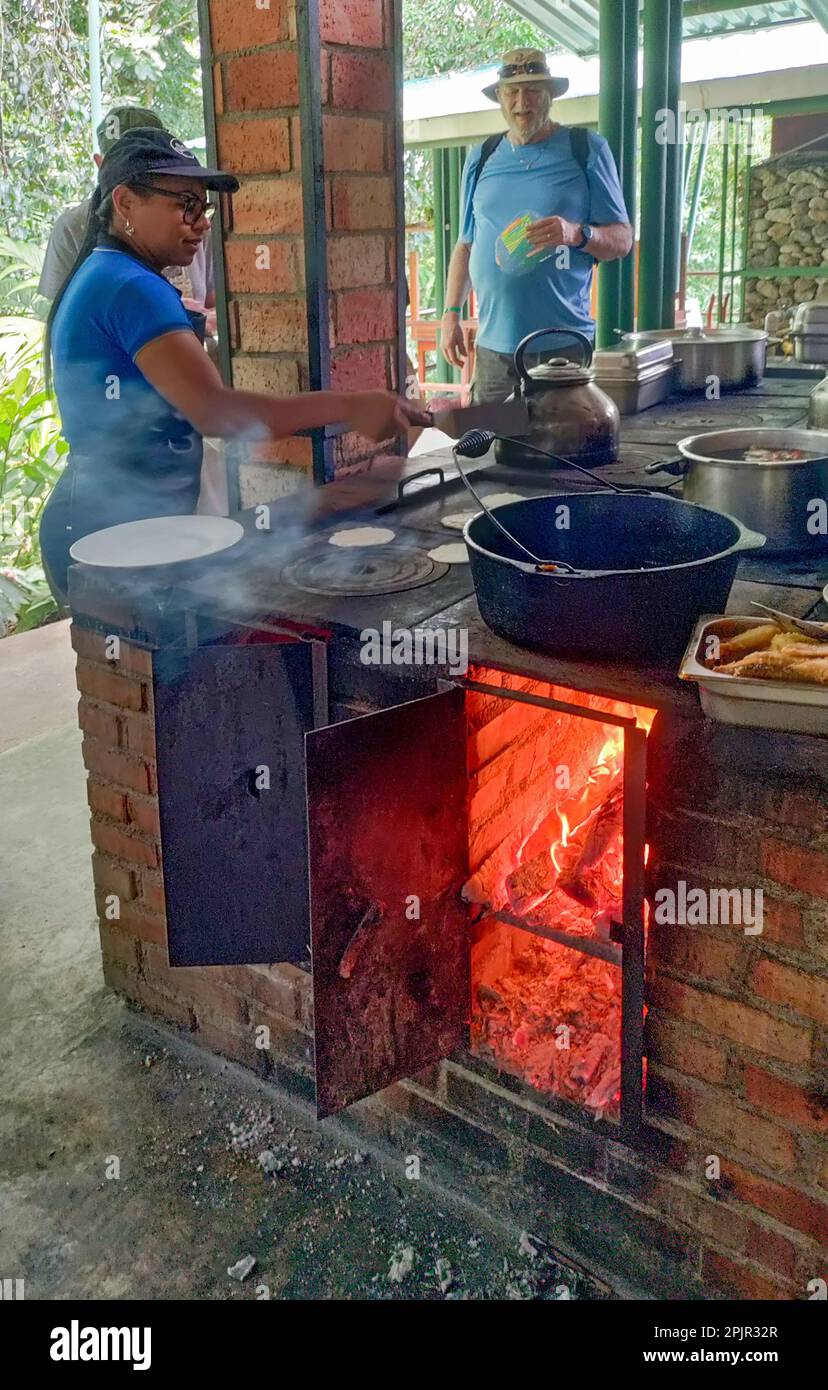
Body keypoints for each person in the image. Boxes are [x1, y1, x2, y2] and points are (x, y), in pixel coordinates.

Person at [40, 127, 426, 604]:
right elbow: (219, 414)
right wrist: (353, 405)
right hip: (111, 530)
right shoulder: (130, 287)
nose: (201, 222)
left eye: (203, 207)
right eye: (185, 204)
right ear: (124, 203)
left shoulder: (110, 273)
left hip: (118, 520)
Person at [439, 49, 633, 404]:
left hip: (561, 348)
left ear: (549, 95)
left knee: (560, 451)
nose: (521, 103)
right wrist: (451, 314)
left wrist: (577, 234)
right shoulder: (481, 155)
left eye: (532, 91)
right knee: (491, 453)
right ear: (499, 97)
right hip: (493, 352)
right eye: (511, 92)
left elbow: (622, 239)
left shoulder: (585, 148)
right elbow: (466, 244)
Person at [38, 104, 215, 329]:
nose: (202, 223)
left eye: (146, 161)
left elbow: (214, 302)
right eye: (124, 162)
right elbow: (63, 322)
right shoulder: (73, 228)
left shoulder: (194, 221)